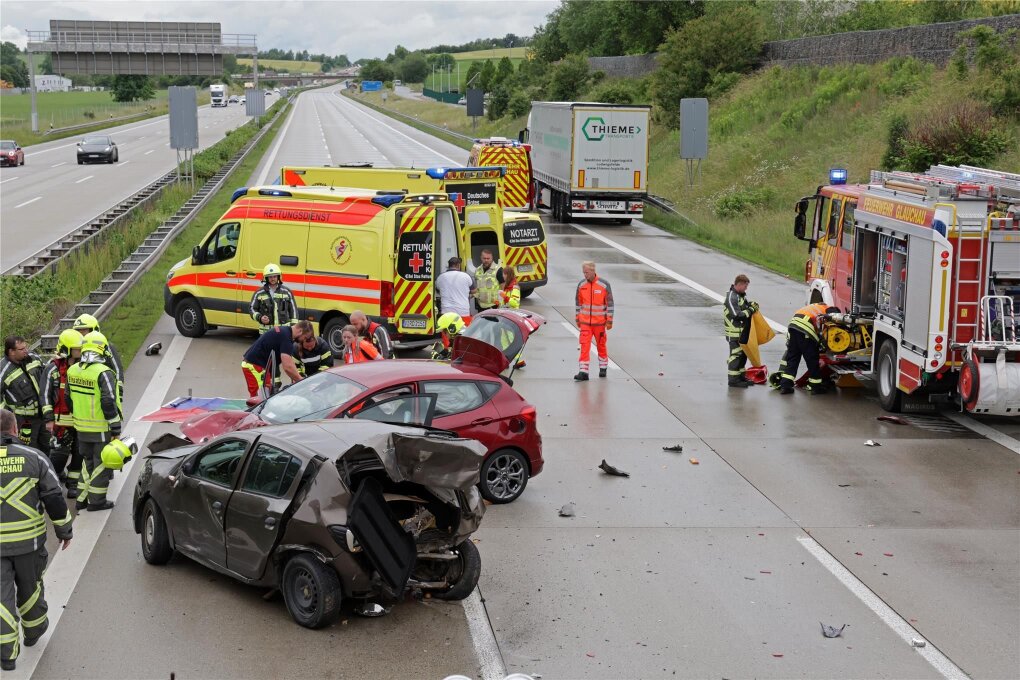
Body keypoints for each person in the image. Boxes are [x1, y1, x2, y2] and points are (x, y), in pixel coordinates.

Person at [0, 408, 73, 672]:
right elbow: (53, 496)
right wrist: (64, 530)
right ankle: (33, 631)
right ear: (15, 429)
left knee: (1, 599)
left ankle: (7, 655)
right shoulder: (35, 457)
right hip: (28, 542)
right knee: (30, 588)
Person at [65, 332, 121, 511]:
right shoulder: (104, 372)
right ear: (102, 349)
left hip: (81, 428)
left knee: (87, 462)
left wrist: (79, 416)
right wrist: (115, 427)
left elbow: (68, 399)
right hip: (101, 427)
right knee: (102, 464)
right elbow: (108, 401)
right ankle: (96, 502)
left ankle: (81, 500)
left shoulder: (72, 370)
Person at [42, 330, 84, 494]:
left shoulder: (83, 367)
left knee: (79, 452)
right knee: (59, 454)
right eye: (76, 349)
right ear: (67, 349)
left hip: (81, 420)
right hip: (60, 422)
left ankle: (73, 485)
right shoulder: (52, 369)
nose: (80, 351)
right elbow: (44, 395)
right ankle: (54, 477)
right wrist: (49, 419)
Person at [774, 303, 839, 395]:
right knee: (812, 359)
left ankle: (786, 386)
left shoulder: (816, 307)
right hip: (805, 329)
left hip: (793, 327)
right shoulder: (830, 309)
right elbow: (832, 321)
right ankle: (816, 387)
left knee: (793, 359)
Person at [0, 336, 48, 455]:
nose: (26, 351)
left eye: (26, 347)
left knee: (48, 447)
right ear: (11, 351)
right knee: (29, 451)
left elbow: (47, 376)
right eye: (21, 349)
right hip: (24, 421)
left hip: (44, 415)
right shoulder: (3, 369)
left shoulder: (34, 358)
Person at [241, 321, 310, 398]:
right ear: (300, 331)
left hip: (259, 366)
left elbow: (289, 361)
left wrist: (296, 376)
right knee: (260, 399)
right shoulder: (286, 338)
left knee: (265, 396)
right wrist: (300, 380)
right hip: (255, 367)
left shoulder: (285, 332)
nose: (303, 340)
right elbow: (287, 366)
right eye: (305, 337)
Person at [574, 261, 614, 381]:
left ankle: (603, 367)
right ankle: (583, 372)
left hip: (599, 323)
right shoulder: (581, 285)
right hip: (585, 323)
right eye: (583, 273)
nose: (585, 275)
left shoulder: (604, 285)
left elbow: (610, 304)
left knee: (601, 345)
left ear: (593, 271)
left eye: (586, 272)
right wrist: (577, 317)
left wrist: (609, 320)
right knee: (584, 345)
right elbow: (578, 303)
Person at [72, 314, 124, 406]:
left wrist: (119, 392)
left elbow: (117, 369)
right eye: (78, 331)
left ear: (94, 330)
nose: (81, 334)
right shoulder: (75, 349)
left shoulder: (106, 346)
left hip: (105, 389)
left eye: (84, 330)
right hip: (86, 392)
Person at [723, 274, 759, 388]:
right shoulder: (732, 297)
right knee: (736, 355)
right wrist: (751, 310)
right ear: (739, 284)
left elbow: (745, 307)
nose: (746, 288)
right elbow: (737, 315)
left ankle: (741, 377)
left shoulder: (740, 296)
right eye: (745, 286)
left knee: (743, 355)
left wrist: (751, 305)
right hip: (734, 333)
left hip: (741, 332)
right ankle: (733, 380)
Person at [250, 263, 298, 334]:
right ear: (266, 278)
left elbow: (293, 311)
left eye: (275, 276)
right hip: (266, 333)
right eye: (270, 277)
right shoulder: (259, 293)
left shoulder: (286, 292)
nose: (272, 279)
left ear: (278, 277)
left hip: (283, 332)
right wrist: (260, 318)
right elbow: (252, 309)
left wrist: (293, 329)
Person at [436, 257, 476, 324]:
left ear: (449, 265)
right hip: (463, 312)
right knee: (463, 330)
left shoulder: (440, 277)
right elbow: (474, 291)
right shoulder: (466, 276)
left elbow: (438, 291)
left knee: (447, 329)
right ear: (458, 265)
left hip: (446, 312)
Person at [473, 248, 504, 314]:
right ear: (481, 258)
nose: (486, 260)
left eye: (488, 258)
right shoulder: (477, 270)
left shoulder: (498, 270)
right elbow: (477, 288)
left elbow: (503, 288)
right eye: (484, 258)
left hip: (494, 306)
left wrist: (501, 304)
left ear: (492, 258)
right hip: (481, 306)